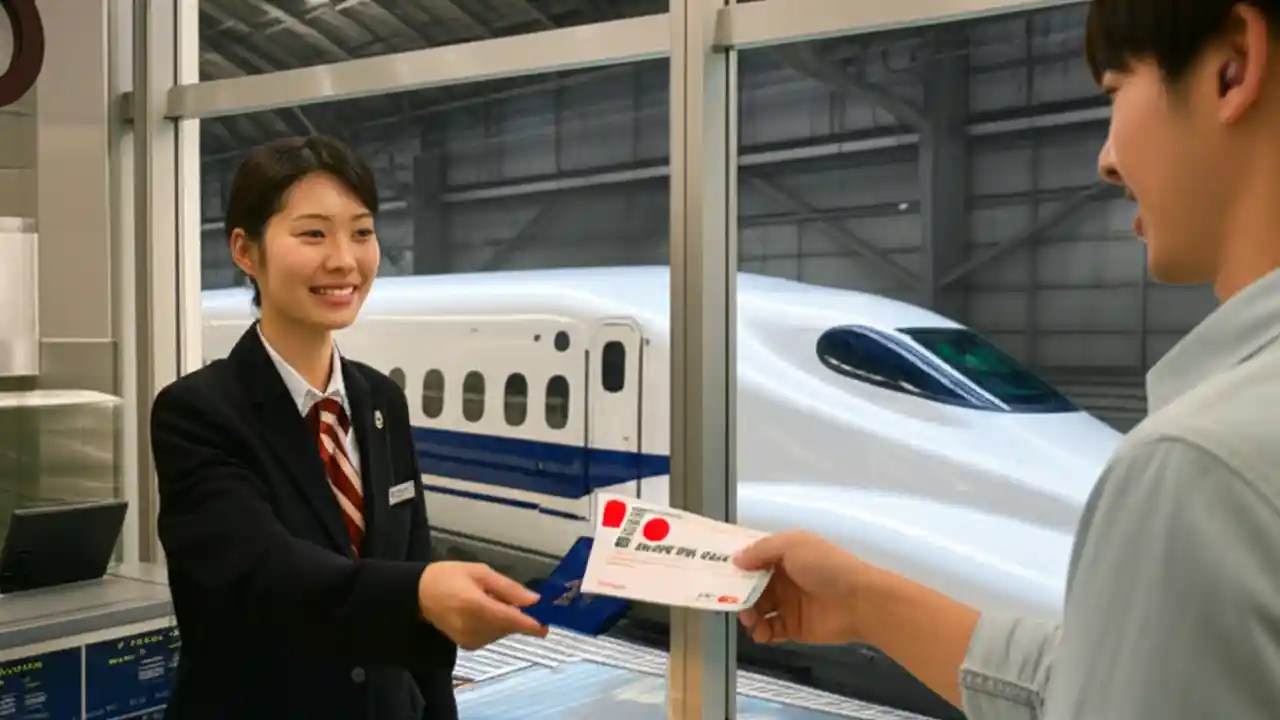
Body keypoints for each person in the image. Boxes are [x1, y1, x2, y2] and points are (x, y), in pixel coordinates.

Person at [734, 1, 1280, 718]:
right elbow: (1109, 678)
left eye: (1116, 90)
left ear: (1231, 66)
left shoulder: (1198, 468)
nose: (1107, 159)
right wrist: (866, 599)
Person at [150, 134, 548, 719]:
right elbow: (261, 576)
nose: (344, 260)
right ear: (245, 250)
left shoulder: (380, 400)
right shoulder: (199, 412)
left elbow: (414, 569)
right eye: (313, 233)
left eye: (361, 232)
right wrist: (418, 595)